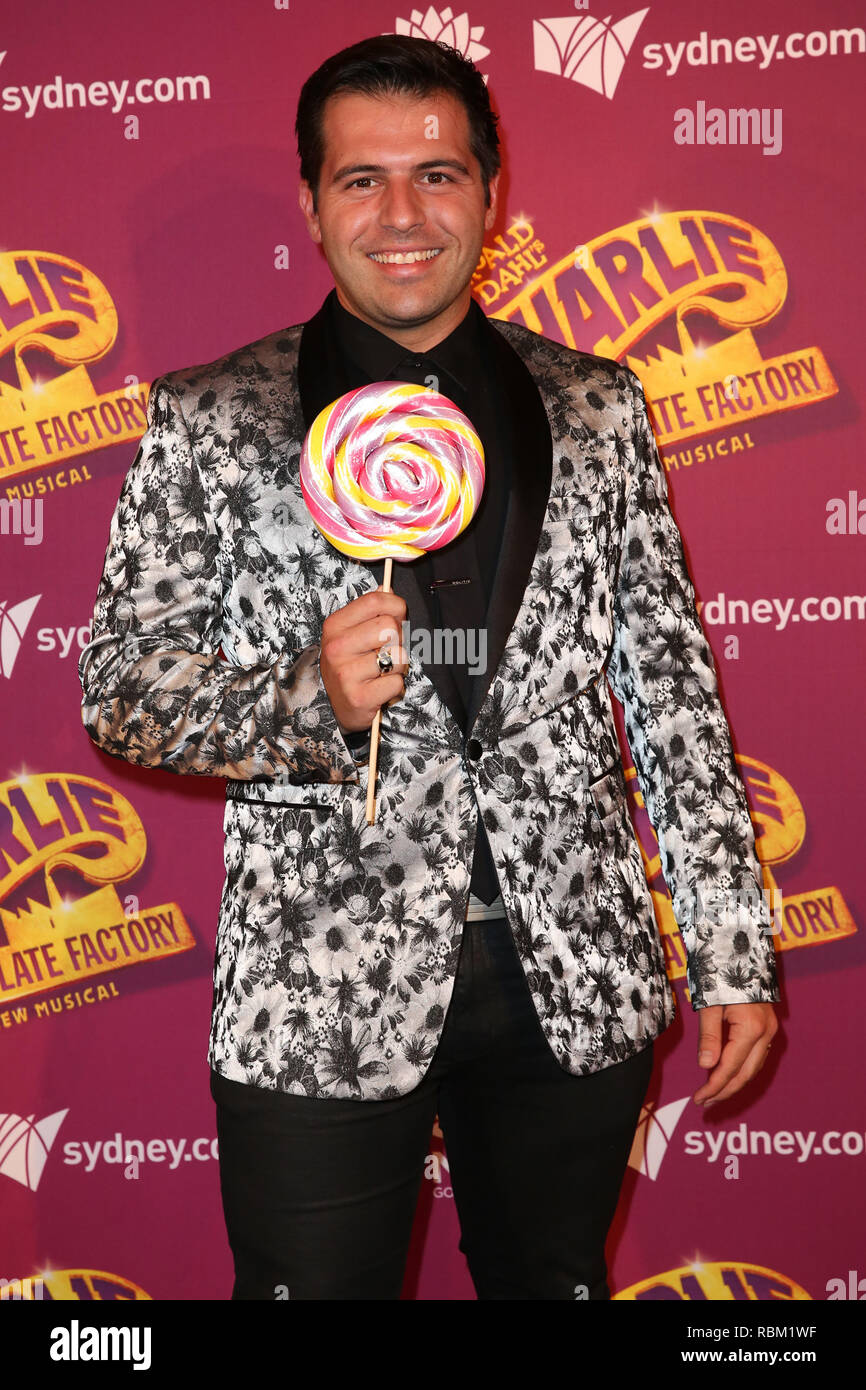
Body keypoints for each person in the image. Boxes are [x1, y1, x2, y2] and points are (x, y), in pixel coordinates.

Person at [78, 34, 780, 1300]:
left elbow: (671, 695)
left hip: (566, 971)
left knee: (551, 1280)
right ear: (311, 201)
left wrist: (728, 950)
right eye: (361, 180)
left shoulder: (595, 404)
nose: (401, 215)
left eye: (438, 174)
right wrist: (303, 699)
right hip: (315, 986)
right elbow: (121, 686)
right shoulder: (212, 414)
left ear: (490, 190)